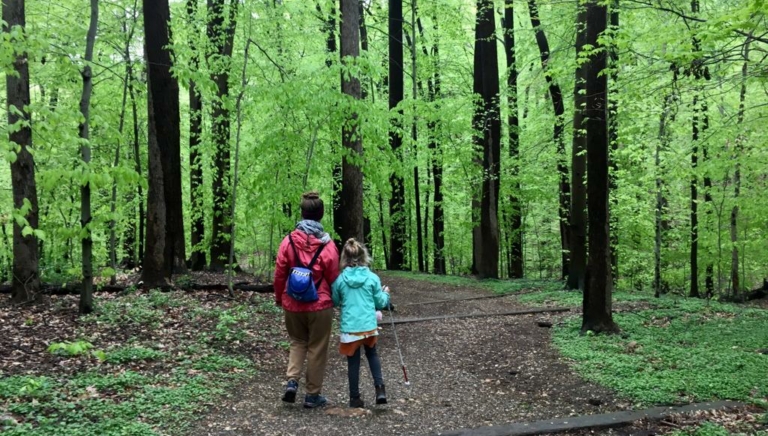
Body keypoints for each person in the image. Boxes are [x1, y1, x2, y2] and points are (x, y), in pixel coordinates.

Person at [274, 191, 340, 408]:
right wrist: (336, 300)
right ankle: (312, 395)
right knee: (317, 347)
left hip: (292, 303)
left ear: (302, 213)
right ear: (321, 215)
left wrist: (279, 298)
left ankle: (292, 382)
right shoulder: (328, 246)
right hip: (319, 304)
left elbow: (280, 273)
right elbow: (333, 278)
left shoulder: (288, 241)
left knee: (297, 341)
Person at [331, 238, 391, 408]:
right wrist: (386, 294)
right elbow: (380, 302)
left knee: (353, 361)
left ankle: (354, 398)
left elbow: (334, 300)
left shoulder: (341, 280)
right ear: (364, 256)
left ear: (345, 258)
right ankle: (380, 391)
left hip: (350, 329)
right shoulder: (372, 278)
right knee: (372, 355)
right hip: (369, 327)